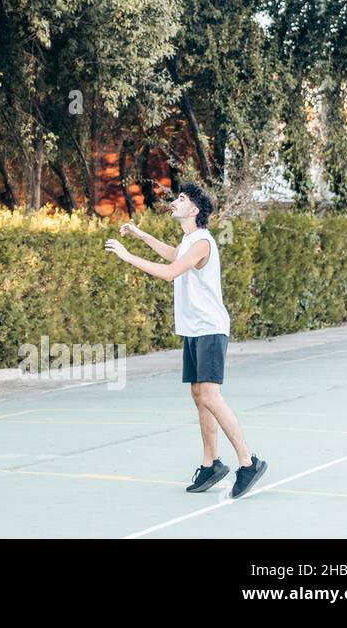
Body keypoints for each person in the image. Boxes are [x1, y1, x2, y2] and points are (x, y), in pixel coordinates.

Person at [104, 184, 268, 499]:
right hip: (194, 330)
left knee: (211, 395)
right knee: (199, 395)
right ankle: (211, 464)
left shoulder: (203, 241)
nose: (175, 201)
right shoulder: (189, 240)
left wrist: (128, 255)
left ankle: (248, 462)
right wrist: (142, 236)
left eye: (182, 198)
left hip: (209, 328)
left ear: (194, 210)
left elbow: (171, 272)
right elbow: (173, 255)